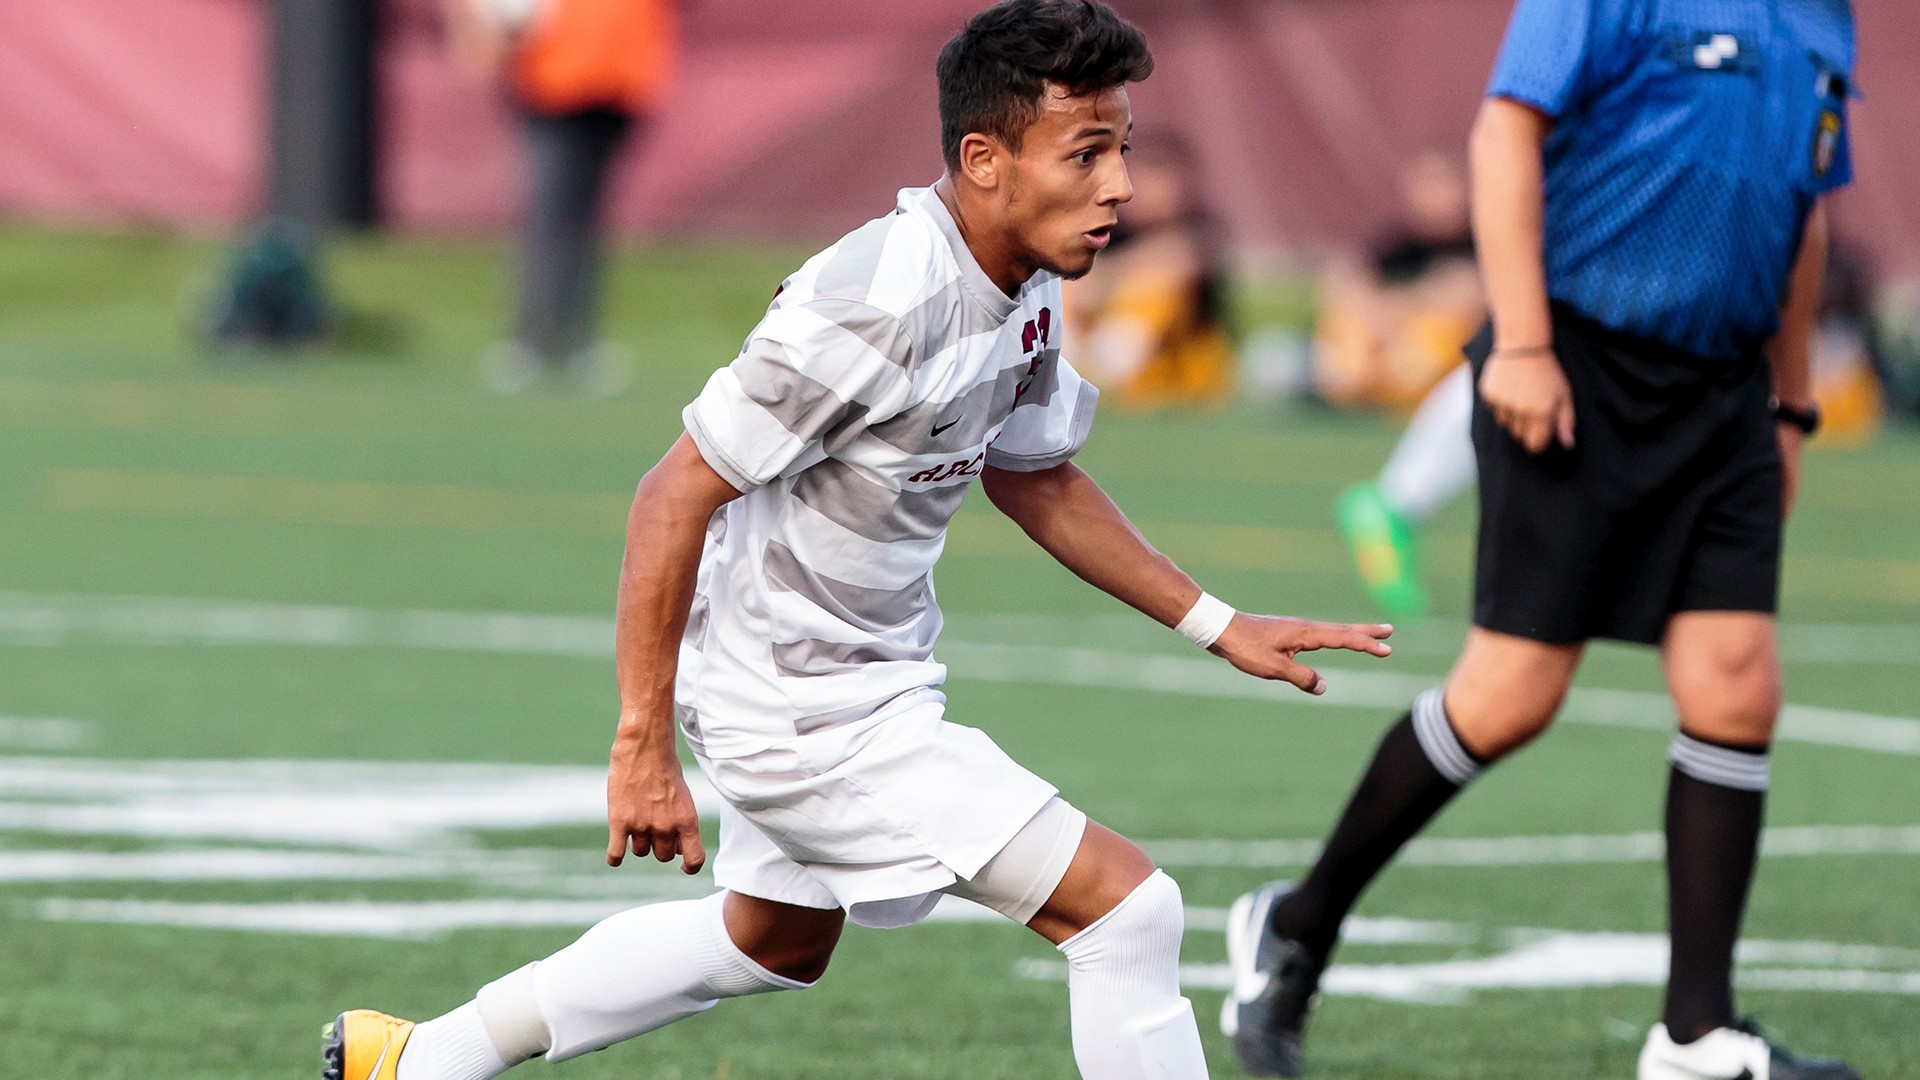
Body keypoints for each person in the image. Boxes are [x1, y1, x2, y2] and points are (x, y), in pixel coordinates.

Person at [322, 4, 1395, 1079]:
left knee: (772, 940)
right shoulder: (873, 304)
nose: (1120, 183)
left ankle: (421, 1062)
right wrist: (640, 744)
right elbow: (670, 495)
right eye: (1088, 153)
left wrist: (1215, 623)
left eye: (1124, 148)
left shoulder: (1023, 277)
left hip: (855, 675)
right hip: (799, 706)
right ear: (985, 159)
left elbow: (1038, 477)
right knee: (1128, 913)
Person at [1225, 1, 1861, 1079]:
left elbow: (1805, 212)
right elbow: (1506, 131)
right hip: (1574, 363)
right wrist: (1520, 343)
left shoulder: (1824, 19)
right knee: (1510, 696)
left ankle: (1697, 1035)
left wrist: (1792, 407)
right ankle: (1295, 922)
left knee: (1736, 685)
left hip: (1726, 397)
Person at [443, 0, 678, 395]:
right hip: (552, 80)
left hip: (619, 78)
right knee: (552, 215)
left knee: (586, 220)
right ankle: (532, 338)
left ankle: (577, 339)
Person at [1062, 134, 1236, 408]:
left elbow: (1178, 258)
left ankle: (1104, 363)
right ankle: (1069, 359)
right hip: (1111, 339)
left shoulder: (1198, 228)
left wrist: (1108, 278)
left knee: (1156, 288)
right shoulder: (1111, 230)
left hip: (1183, 365)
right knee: (1066, 285)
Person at [1312, 153, 1485, 411]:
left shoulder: (1480, 244)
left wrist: (1406, 307)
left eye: (1443, 183)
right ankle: (1356, 384)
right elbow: (1343, 280)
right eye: (1426, 185)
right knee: (1350, 330)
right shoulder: (1398, 246)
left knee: (1429, 339)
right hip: (1388, 339)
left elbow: (1467, 295)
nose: (1435, 195)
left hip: (1437, 357)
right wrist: (1381, 314)